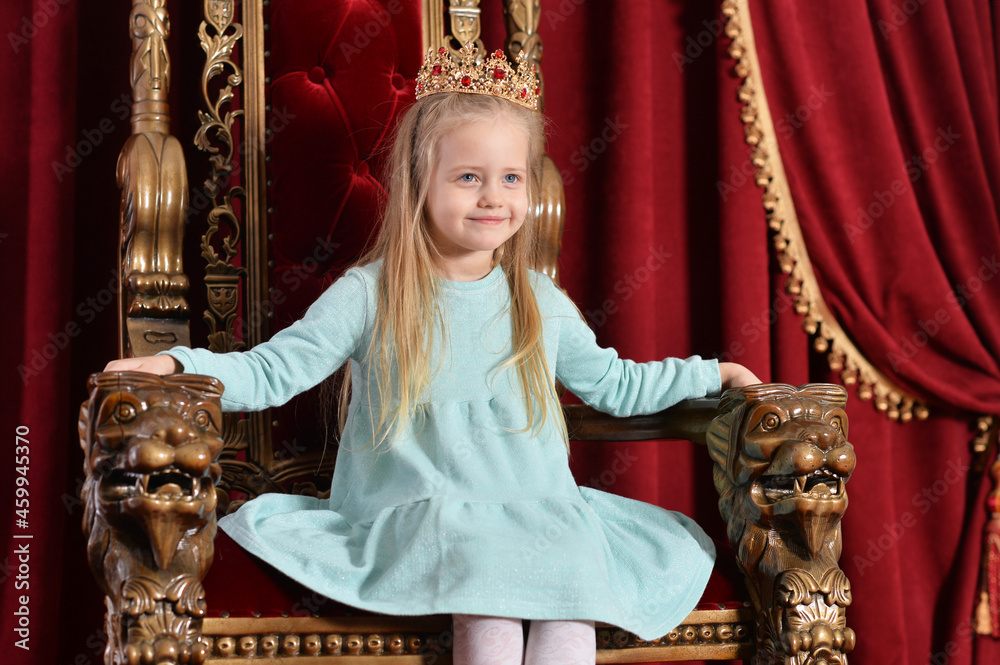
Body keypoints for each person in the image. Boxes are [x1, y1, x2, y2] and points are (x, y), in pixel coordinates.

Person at [105, 44, 761, 665]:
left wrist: (709, 373)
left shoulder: (537, 298)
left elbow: (617, 384)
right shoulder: (371, 294)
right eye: (469, 177)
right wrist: (176, 364)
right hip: (425, 514)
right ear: (420, 181)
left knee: (570, 603)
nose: (493, 197)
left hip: (537, 511)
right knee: (491, 600)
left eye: (511, 177)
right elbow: (273, 369)